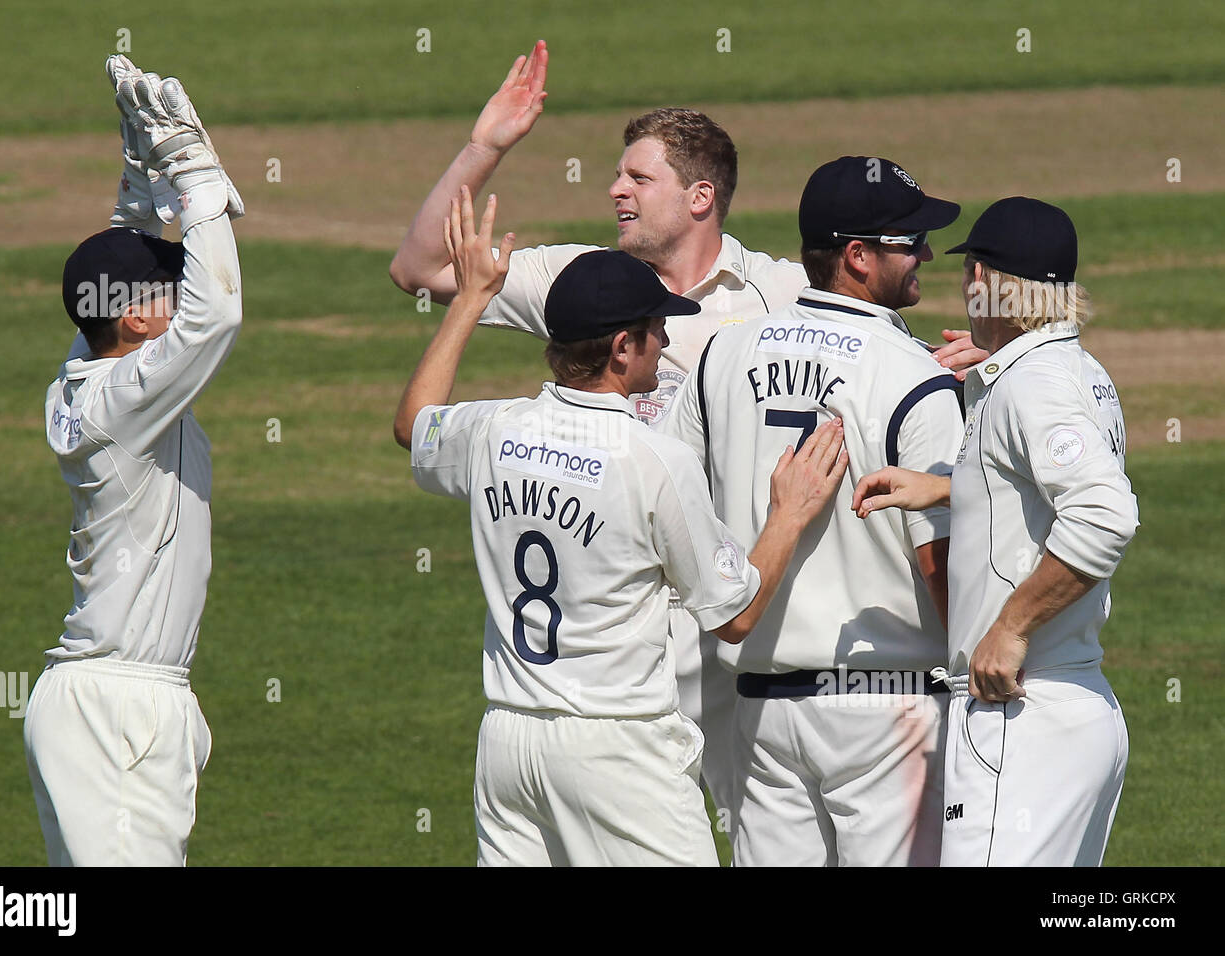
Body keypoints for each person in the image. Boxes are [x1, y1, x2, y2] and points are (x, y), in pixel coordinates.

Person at [388, 41, 985, 819]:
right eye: (618, 176)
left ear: (700, 197)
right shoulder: (585, 285)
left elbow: (865, 343)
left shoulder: (776, 289)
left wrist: (958, 365)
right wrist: (486, 145)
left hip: (739, 608)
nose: (615, 191)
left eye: (638, 177)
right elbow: (420, 268)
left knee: (753, 821)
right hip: (625, 613)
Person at [393, 187, 847, 865]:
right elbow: (735, 614)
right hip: (618, 748)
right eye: (657, 329)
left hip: (509, 744)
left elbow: (414, 424)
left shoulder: (495, 430)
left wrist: (468, 301)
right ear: (623, 346)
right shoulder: (652, 458)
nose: (667, 342)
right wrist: (789, 514)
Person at [660, 156, 968, 866]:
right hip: (890, 714)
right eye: (908, 241)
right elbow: (940, 562)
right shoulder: (916, 380)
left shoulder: (720, 356)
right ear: (857, 257)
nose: (925, 254)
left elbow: (671, 508)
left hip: (760, 713)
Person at [851, 197, 1139, 866]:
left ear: (981, 278)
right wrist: (952, 487)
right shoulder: (1081, 372)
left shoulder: (1029, 385)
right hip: (1079, 708)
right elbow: (1044, 491)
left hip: (1021, 712)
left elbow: (1104, 513)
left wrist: (1009, 628)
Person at [23, 55, 245, 866]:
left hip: (94, 701)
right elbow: (217, 312)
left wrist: (136, 188)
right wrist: (193, 175)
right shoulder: (129, 399)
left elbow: (112, 284)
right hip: (121, 709)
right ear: (140, 323)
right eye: (164, 292)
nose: (177, 299)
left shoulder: (85, 377)